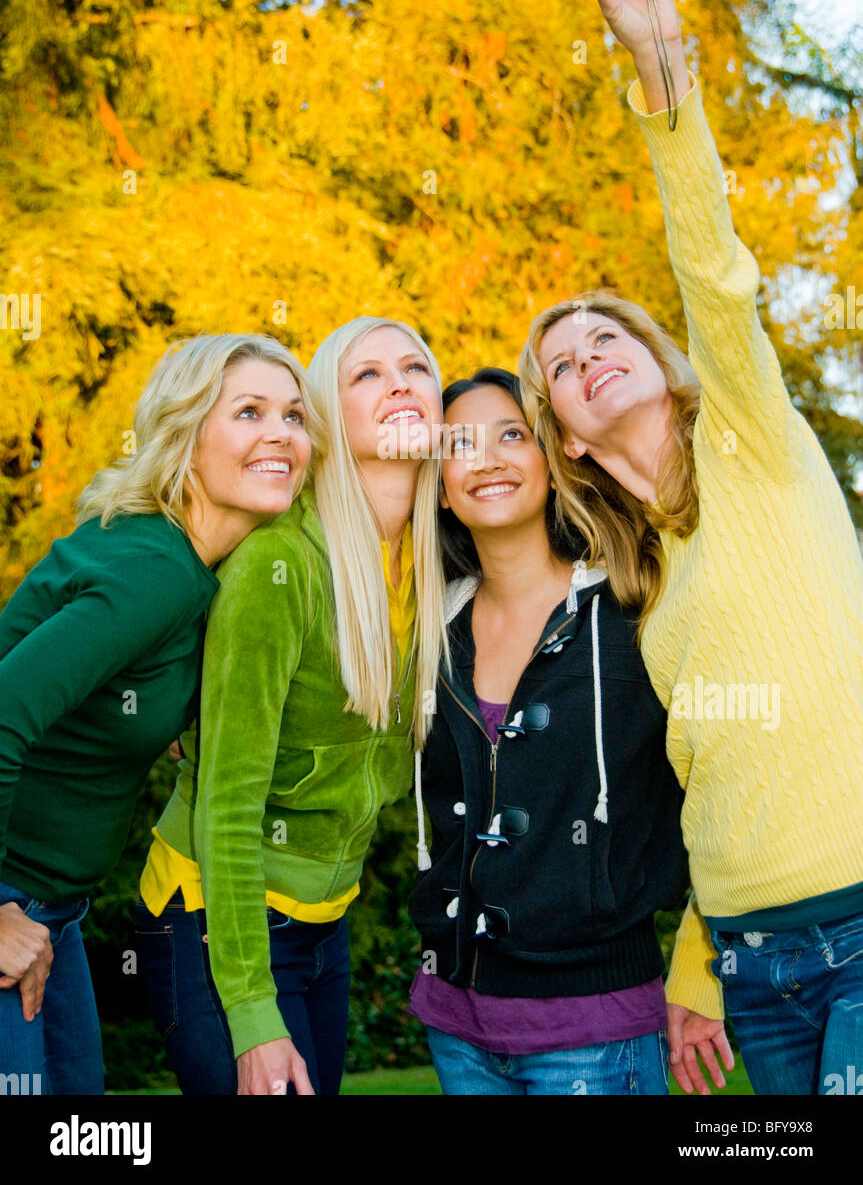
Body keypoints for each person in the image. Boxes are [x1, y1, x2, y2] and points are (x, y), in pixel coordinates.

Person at [518, 0, 863, 1096]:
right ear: (565, 430)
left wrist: (658, 64)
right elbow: (706, 777)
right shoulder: (638, 581)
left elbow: (712, 270)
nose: (587, 356)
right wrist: (693, 965)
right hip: (750, 957)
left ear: (665, 365)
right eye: (562, 362)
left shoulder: (751, 439)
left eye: (606, 334)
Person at [135, 317, 450, 1095]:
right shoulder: (280, 563)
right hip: (216, 915)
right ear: (326, 417)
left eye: (415, 368)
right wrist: (251, 1013)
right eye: (366, 375)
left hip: (324, 921)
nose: (400, 382)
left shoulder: (429, 565)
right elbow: (228, 801)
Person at [0, 333, 314, 1093]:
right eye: (248, 411)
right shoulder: (153, 573)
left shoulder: (190, 573)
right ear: (184, 436)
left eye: (295, 416)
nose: (280, 432)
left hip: (53, 911)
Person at [409, 366, 691, 1095]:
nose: (489, 458)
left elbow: (717, 781)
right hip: (456, 1029)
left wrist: (703, 963)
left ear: (550, 457)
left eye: (512, 434)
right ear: (440, 485)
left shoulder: (634, 604)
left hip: (594, 1029)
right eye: (461, 444)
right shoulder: (424, 637)